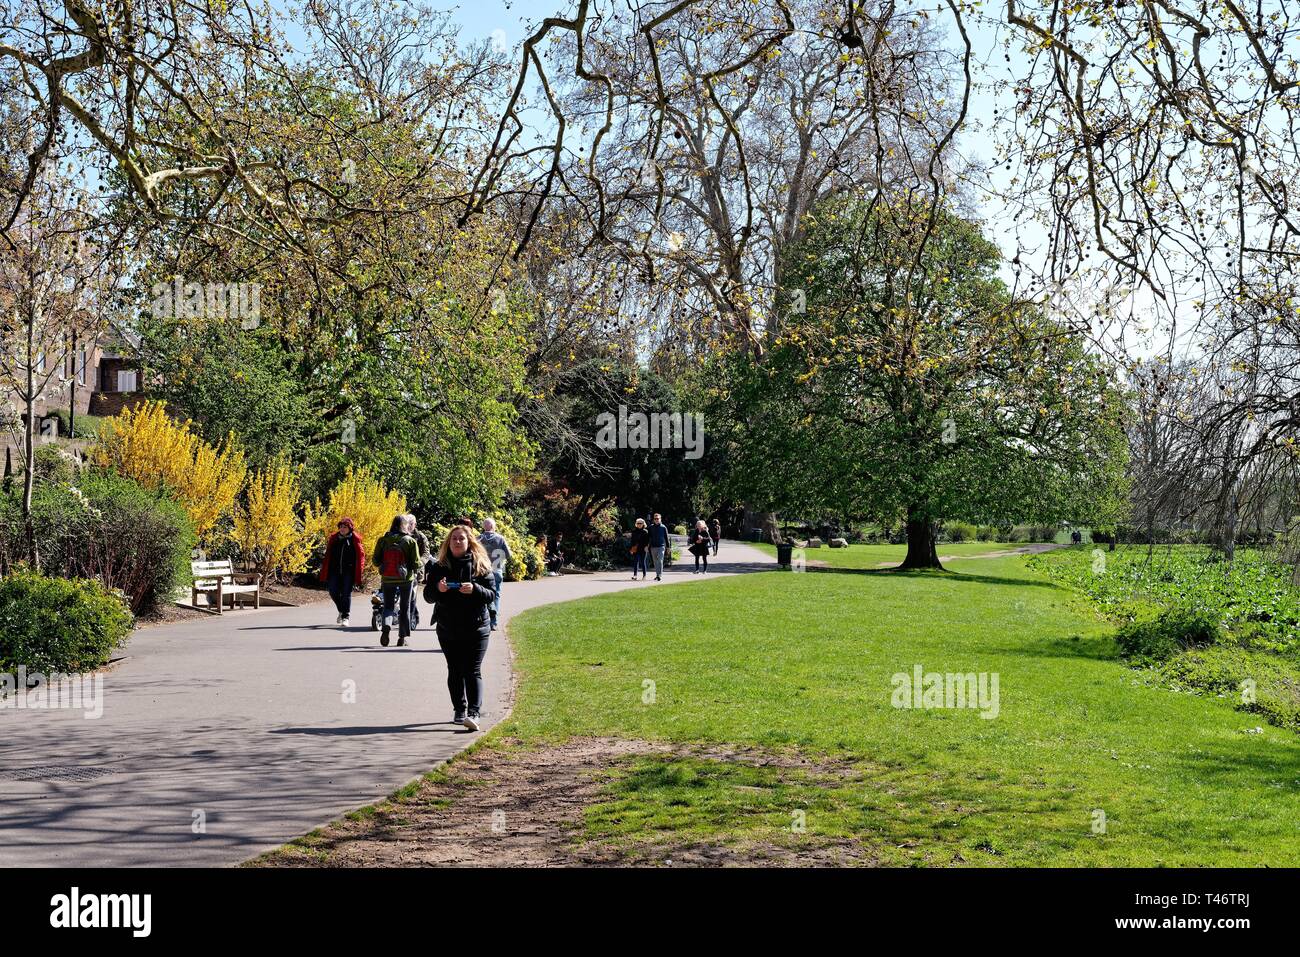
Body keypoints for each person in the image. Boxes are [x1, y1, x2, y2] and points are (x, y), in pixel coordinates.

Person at [430, 524, 496, 730]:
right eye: (454, 539)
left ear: (469, 543)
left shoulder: (481, 566)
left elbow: (491, 595)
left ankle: (474, 714)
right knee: (455, 670)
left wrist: (475, 589)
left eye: (461, 539)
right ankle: (459, 709)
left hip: (476, 627)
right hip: (448, 627)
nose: (457, 542)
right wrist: (439, 589)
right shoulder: (439, 566)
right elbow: (428, 596)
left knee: (472, 670)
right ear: (448, 543)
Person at [372, 515, 421, 647]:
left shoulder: (383, 540)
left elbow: (375, 561)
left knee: (388, 606)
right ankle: (402, 638)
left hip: (387, 578)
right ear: (405, 525)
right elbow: (416, 563)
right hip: (406, 579)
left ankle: (386, 627)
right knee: (405, 607)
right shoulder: (410, 541)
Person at [320, 517, 364, 627]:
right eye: (341, 527)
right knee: (332, 590)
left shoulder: (354, 539)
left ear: (350, 528)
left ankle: (346, 617)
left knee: (346, 593)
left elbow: (361, 556)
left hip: (348, 571)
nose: (342, 529)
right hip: (334, 570)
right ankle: (341, 610)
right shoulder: (334, 539)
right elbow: (328, 554)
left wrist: (359, 569)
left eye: (345, 527)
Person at [478, 517, 512, 631]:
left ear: (484, 527)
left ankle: (484, 620)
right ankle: (494, 622)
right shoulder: (500, 539)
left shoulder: (479, 539)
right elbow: (508, 555)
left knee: (483, 596)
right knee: (496, 596)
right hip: (496, 570)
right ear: (493, 526)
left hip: (483, 571)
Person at [403, 514, 432, 633]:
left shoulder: (420, 537)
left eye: (411, 523)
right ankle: (410, 614)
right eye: (407, 523)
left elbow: (426, 553)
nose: (409, 526)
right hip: (400, 570)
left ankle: (410, 617)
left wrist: (419, 563)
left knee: (411, 595)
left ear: (415, 524)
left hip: (415, 570)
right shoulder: (401, 535)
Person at [648, 513, 670, 581]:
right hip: (653, 547)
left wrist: (668, 547)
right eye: (655, 519)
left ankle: (659, 575)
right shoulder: (651, 527)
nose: (656, 520)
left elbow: (666, 538)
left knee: (660, 560)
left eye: (658, 519)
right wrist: (647, 545)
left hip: (661, 546)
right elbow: (649, 537)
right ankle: (657, 575)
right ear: (653, 519)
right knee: (655, 562)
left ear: (660, 519)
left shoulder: (663, 527)